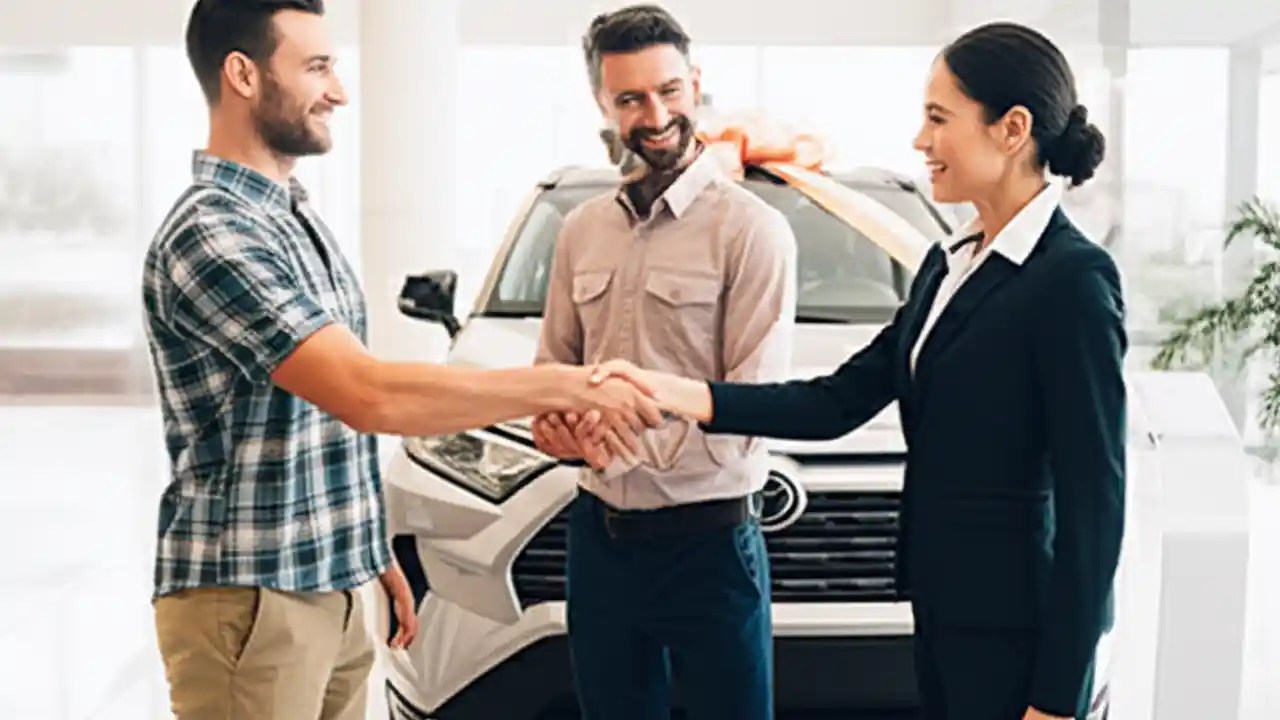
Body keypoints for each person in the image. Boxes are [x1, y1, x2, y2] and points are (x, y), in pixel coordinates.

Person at [587, 21, 1125, 720]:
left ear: (1012, 128)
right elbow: (836, 401)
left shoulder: (1072, 280)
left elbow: (1096, 504)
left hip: (1017, 629)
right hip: (943, 605)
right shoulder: (949, 263)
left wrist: (1058, 698)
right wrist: (677, 393)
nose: (920, 141)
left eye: (938, 118)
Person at [141, 2, 660, 719]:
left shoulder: (290, 218)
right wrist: (574, 384)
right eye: (317, 66)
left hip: (328, 583)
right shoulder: (211, 232)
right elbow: (366, 393)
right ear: (243, 75)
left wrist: (367, 551)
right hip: (252, 600)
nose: (339, 91)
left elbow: (320, 411)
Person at [529, 6, 797, 720]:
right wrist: (554, 428)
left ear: (695, 83)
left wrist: (614, 446)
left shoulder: (753, 232)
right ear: (603, 104)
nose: (656, 114)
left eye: (670, 90)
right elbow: (553, 372)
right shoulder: (580, 231)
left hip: (709, 546)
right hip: (598, 545)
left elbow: (749, 405)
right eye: (631, 98)